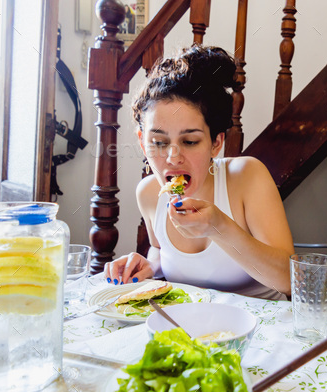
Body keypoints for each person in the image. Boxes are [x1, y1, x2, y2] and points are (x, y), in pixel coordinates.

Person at [104, 45, 294, 300]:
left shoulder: (247, 177)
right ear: (142, 141)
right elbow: (160, 251)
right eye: (159, 142)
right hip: (193, 331)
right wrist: (150, 265)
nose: (173, 157)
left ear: (216, 143)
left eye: (190, 142)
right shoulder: (148, 194)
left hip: (261, 333)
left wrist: (219, 227)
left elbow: (289, 282)